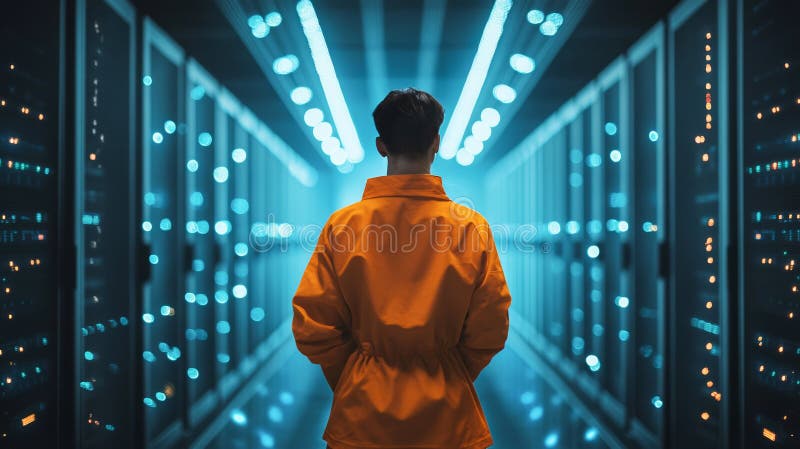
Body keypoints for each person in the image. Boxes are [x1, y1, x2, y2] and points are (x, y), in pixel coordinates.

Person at [292, 88, 511, 449]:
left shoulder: (344, 226)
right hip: (449, 423)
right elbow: (491, 327)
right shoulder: (470, 227)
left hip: (361, 421)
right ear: (436, 142)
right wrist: (448, 373)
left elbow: (313, 327)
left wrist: (356, 377)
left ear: (381, 146)